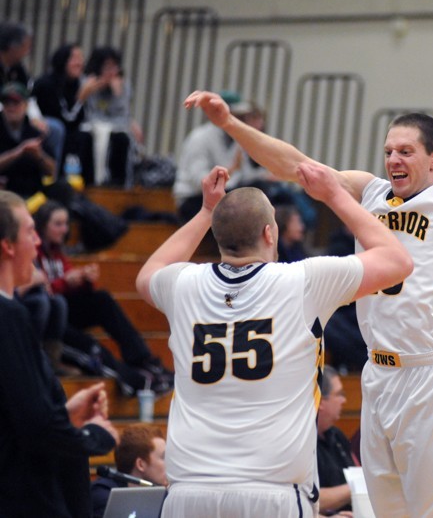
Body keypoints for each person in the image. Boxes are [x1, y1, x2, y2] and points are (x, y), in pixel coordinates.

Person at [185, 38, 433, 517]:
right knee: (392, 512)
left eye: (406, 151)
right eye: (388, 151)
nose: (394, 160)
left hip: (432, 374)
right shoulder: (368, 192)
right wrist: (229, 123)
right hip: (376, 374)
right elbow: (295, 166)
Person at [134, 162, 413, 516]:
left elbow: (148, 273)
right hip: (272, 491)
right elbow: (398, 260)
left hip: (188, 491)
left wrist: (206, 211)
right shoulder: (303, 281)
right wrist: (334, 195)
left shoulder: (182, 284)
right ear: (270, 233)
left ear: (217, 236)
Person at [0, 189, 118, 517]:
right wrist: (93, 436)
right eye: (29, 231)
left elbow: (17, 416)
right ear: (7, 246)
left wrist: (64, 413)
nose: (37, 242)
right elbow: (36, 429)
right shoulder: (8, 315)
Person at [34, 200, 173, 394]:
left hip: (64, 311)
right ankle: (131, 379)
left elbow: (66, 285)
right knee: (89, 344)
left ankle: (143, 359)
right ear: (41, 226)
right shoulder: (34, 252)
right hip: (48, 322)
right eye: (58, 224)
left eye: (66, 224)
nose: (64, 230)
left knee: (102, 299)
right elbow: (41, 293)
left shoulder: (57, 252)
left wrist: (84, 279)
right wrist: (67, 281)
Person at [0, 22, 66, 167]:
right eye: (25, 46)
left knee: (55, 128)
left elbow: (27, 97)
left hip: (20, 114)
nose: (27, 52)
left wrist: (36, 118)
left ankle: (46, 174)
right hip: (5, 114)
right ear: (12, 46)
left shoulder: (18, 69)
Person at [79, 46, 142, 185]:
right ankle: (93, 181)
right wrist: (86, 93)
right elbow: (85, 113)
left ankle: (119, 183)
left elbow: (124, 115)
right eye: (107, 67)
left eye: (115, 67)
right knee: (89, 138)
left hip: (116, 126)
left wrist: (118, 95)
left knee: (123, 139)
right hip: (93, 126)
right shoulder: (88, 82)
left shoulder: (123, 85)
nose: (112, 72)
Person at [32, 43, 94, 181]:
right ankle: (57, 179)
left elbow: (84, 118)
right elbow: (67, 118)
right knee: (61, 131)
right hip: (49, 131)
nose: (80, 63)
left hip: (72, 132)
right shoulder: (47, 83)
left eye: (81, 58)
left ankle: (89, 184)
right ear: (63, 60)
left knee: (88, 136)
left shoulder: (79, 83)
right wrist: (81, 98)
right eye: (74, 58)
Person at [91, 424, 168, 518]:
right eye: (163, 457)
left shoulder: (164, 494)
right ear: (141, 464)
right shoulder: (104, 494)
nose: (170, 463)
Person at [317, 365, 359, 516]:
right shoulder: (302, 442)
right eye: (339, 394)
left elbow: (357, 472)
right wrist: (357, 486)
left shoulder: (337, 436)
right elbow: (304, 497)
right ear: (320, 401)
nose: (344, 400)